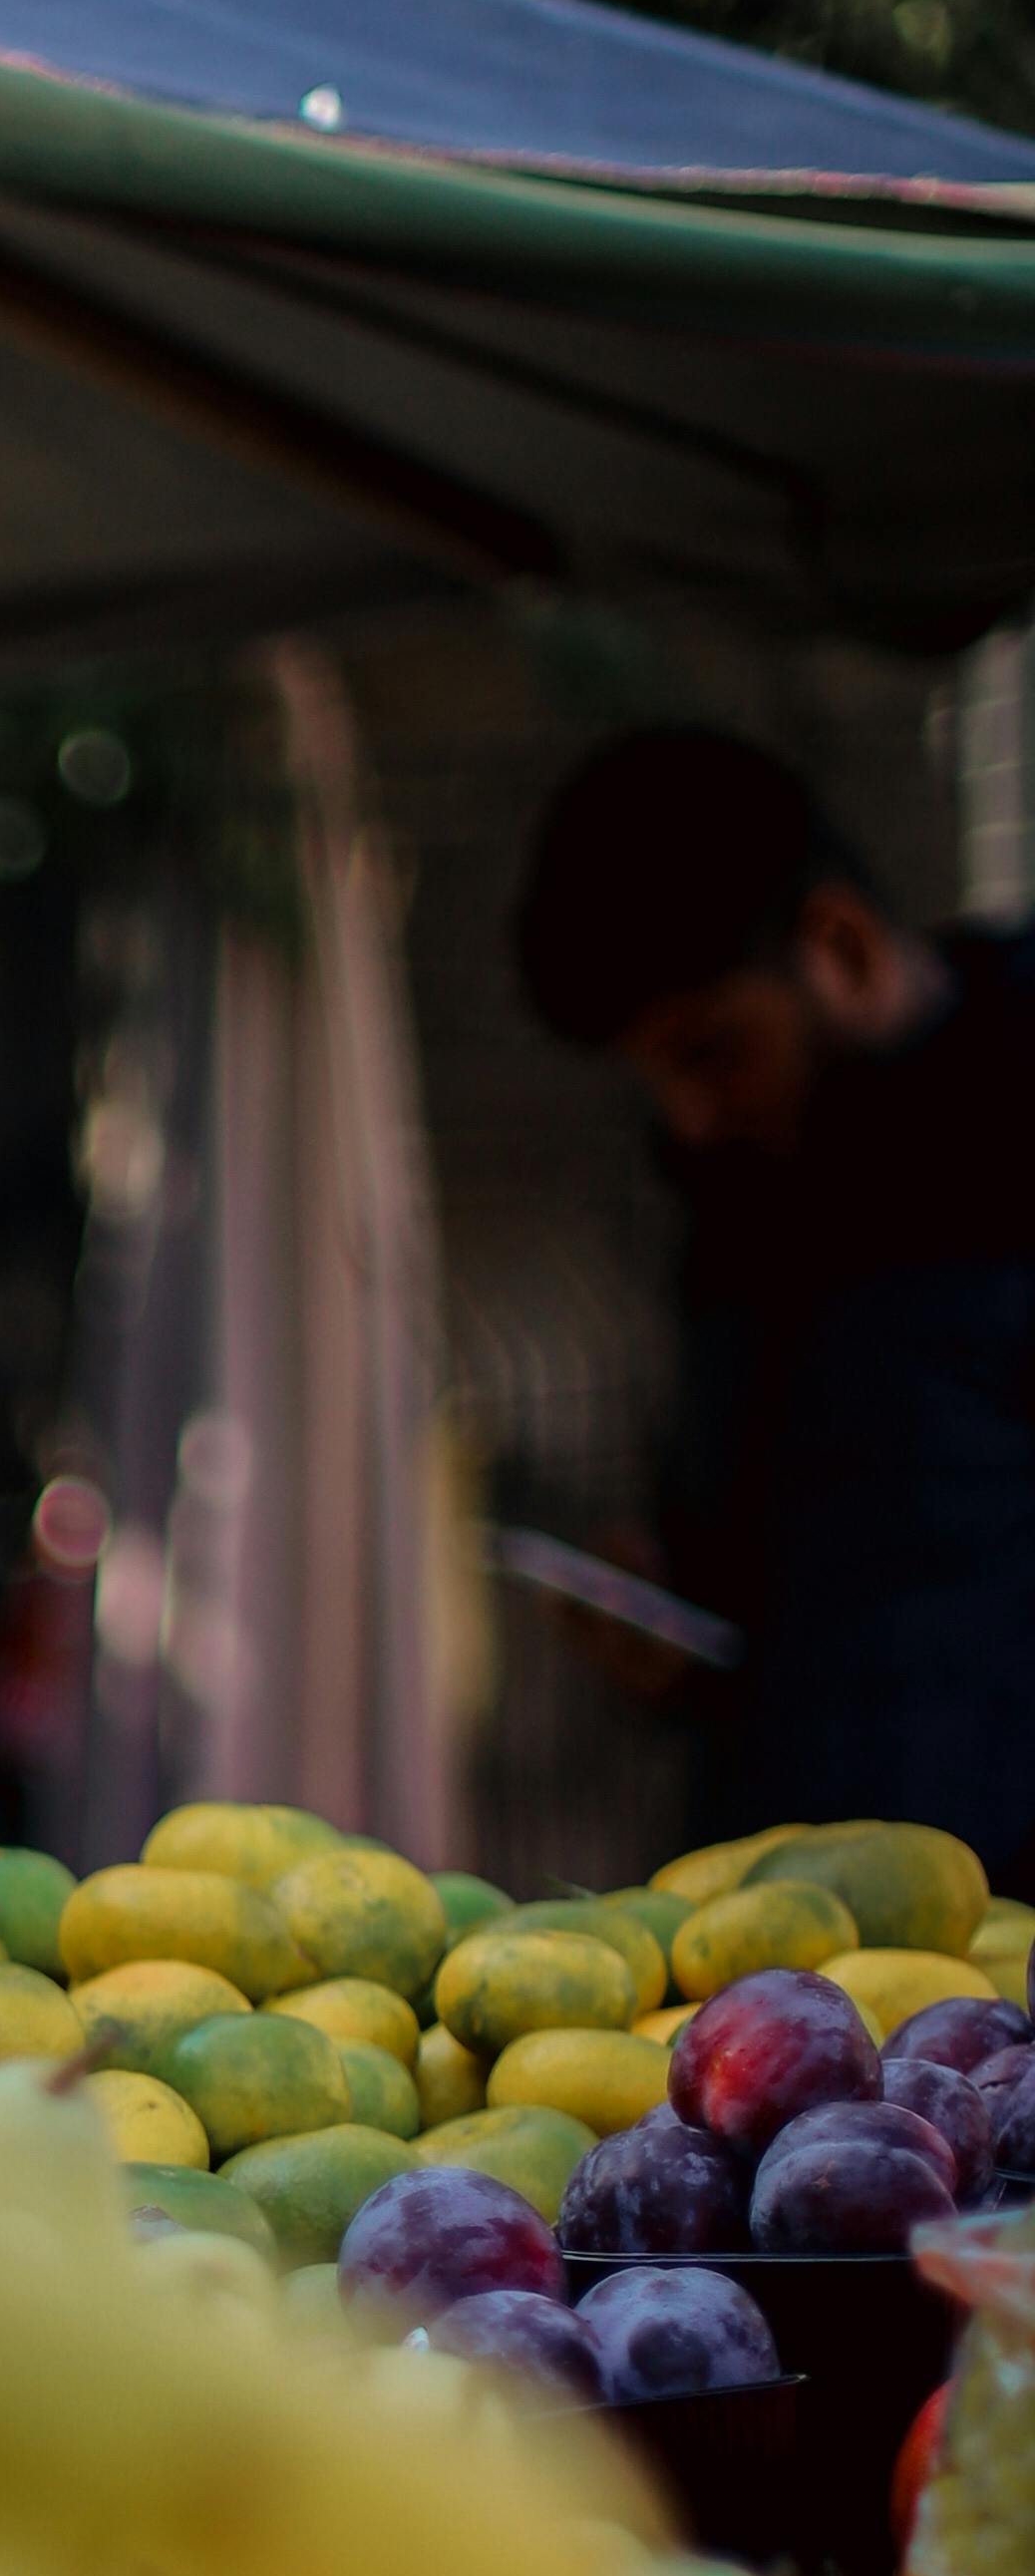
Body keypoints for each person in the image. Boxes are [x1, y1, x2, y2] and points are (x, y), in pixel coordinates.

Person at [513, 724, 1035, 1887]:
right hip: (786, 1913)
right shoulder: (736, 1200)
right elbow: (765, 1574)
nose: (690, 1114)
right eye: (657, 1076)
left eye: (710, 1051)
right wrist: (665, 1625)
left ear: (837, 946)